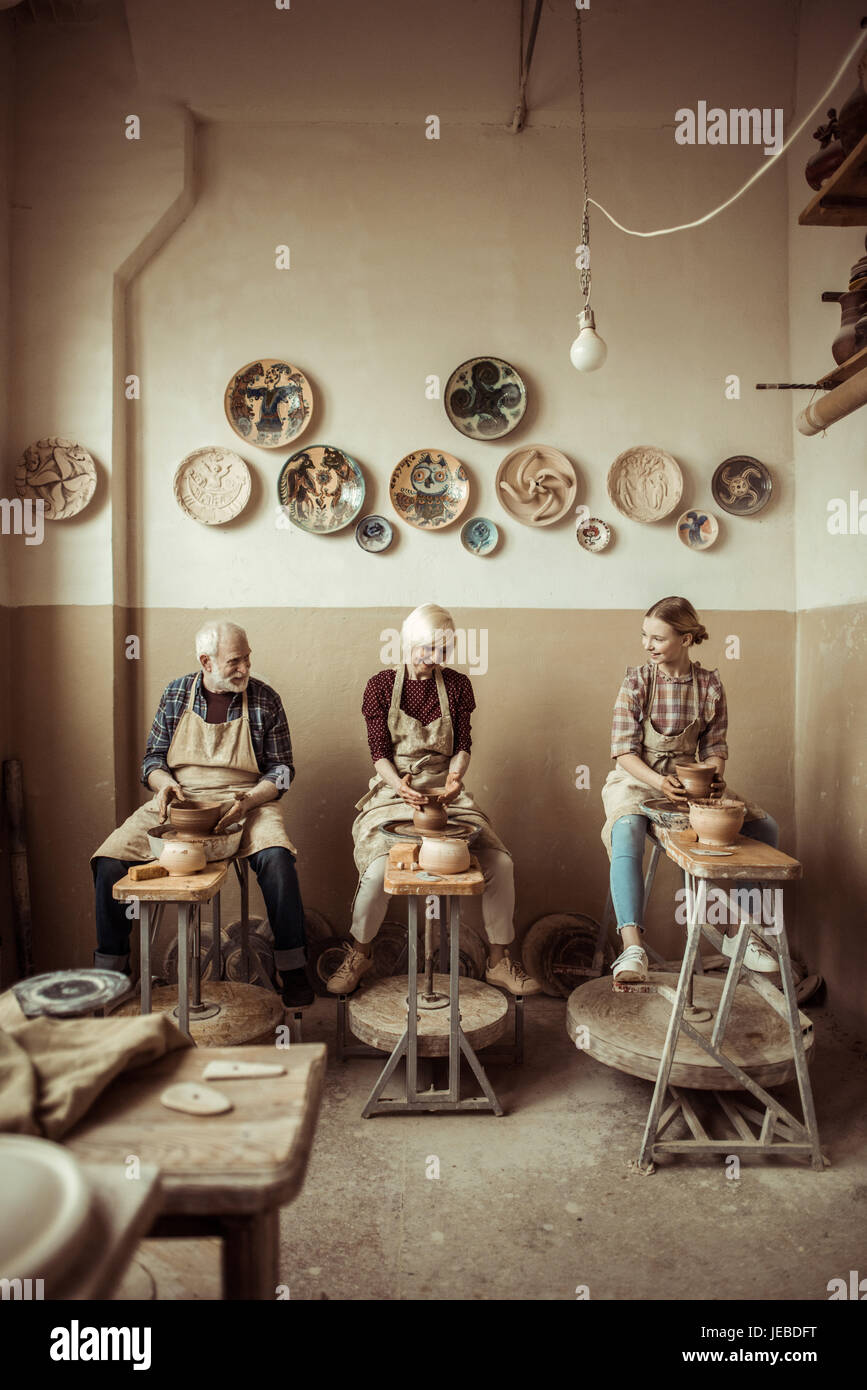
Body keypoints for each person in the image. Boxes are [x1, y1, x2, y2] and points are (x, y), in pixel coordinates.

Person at [91, 620, 313, 1007]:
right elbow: (153, 761)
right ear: (206, 661)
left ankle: (292, 969)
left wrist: (246, 801)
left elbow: (281, 770)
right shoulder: (176, 694)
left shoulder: (265, 699)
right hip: (181, 799)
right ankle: (114, 971)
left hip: (246, 800)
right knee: (109, 860)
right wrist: (165, 786)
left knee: (278, 860)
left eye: (247, 658)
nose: (245, 668)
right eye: (235, 661)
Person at [327, 603, 542, 996]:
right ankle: (359, 953)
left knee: (501, 863)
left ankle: (499, 960)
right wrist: (400, 785)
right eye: (426, 650)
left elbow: (463, 745)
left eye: (442, 651)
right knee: (377, 871)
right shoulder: (380, 686)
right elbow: (379, 754)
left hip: (445, 791)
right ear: (407, 645)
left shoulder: (457, 685)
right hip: (395, 790)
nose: (433, 659)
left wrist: (457, 776)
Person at [601, 596, 781, 984]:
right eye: (645, 636)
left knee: (765, 828)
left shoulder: (709, 684)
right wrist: (658, 781)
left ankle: (741, 935)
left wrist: (713, 777)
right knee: (626, 829)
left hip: (688, 783)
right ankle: (631, 946)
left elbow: (714, 747)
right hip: (638, 778)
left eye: (658, 638)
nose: (648, 645)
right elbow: (622, 753)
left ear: (686, 638)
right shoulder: (637, 681)